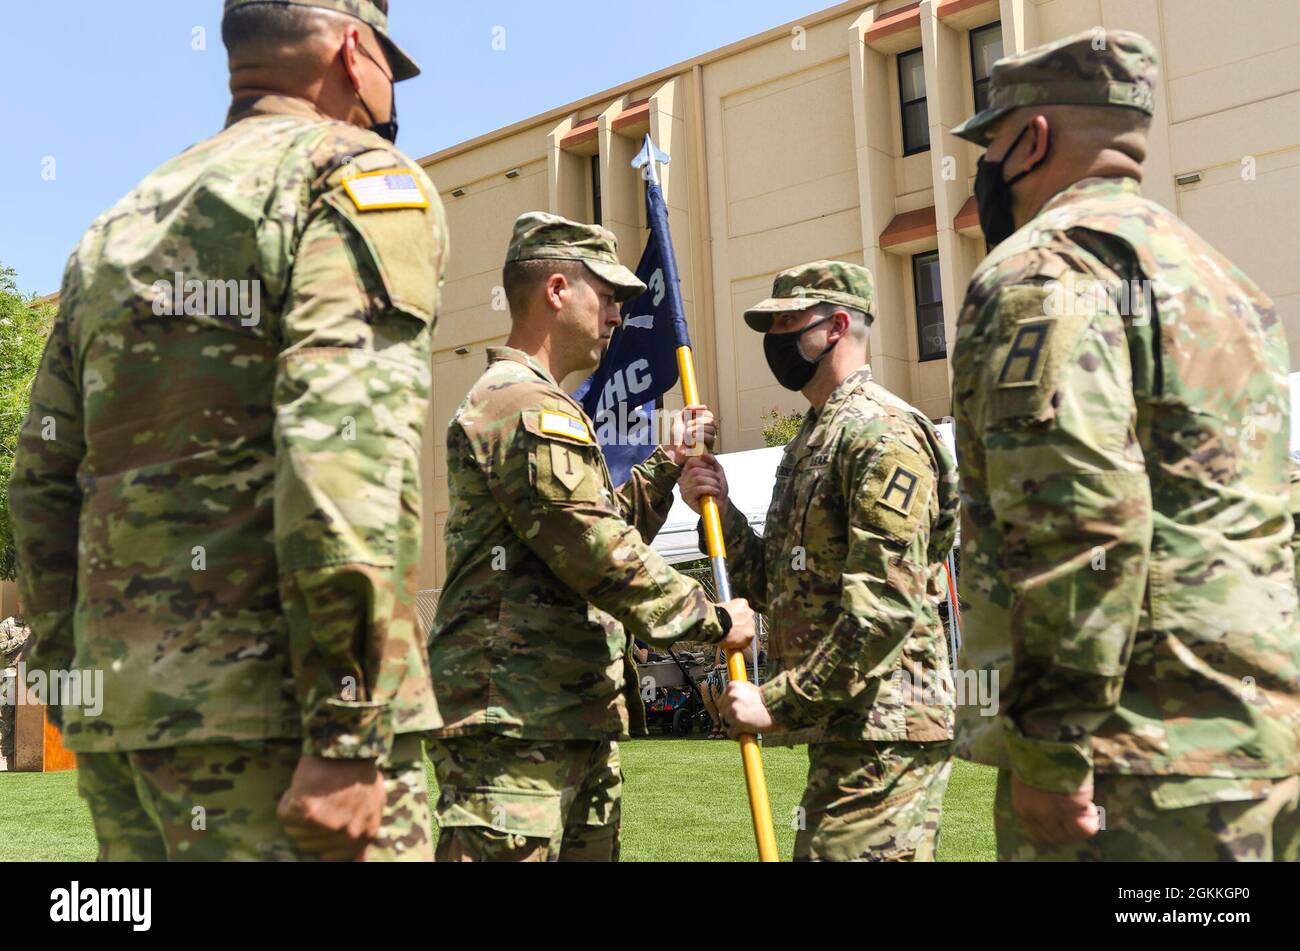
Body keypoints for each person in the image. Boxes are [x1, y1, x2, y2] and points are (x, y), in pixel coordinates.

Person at [8, 0, 447, 861]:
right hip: (283, 724)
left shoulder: (119, 226)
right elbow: (342, 444)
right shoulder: (354, 175)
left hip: (127, 721)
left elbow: (42, 481)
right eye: (391, 62)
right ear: (353, 50)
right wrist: (349, 723)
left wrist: (75, 687)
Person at [950, 28, 1300, 861]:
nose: (984, 168)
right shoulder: (1226, 284)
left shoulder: (1044, 270)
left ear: (1031, 140)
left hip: (1134, 765)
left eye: (991, 142)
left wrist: (1050, 750)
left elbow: (1079, 522)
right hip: (1255, 744)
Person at [426, 212, 755, 862]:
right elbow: (595, 552)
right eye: (605, 296)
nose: (615, 316)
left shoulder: (548, 405)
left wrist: (666, 465)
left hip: (566, 715)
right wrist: (713, 619)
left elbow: (594, 539)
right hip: (517, 725)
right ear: (555, 290)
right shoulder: (519, 403)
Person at [682, 261, 959, 861]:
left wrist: (774, 702)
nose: (773, 339)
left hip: (887, 727)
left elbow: (885, 608)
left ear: (836, 326)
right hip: (847, 724)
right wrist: (719, 510)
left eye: (787, 322)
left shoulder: (880, 433)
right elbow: (777, 583)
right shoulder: (814, 437)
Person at [0, 598, 32, 771]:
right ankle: (11, 759)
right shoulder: (7, 624)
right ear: (19, 603)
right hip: (12, 674)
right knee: (9, 715)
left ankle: (38, 756)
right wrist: (23, 635)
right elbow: (1, 648)